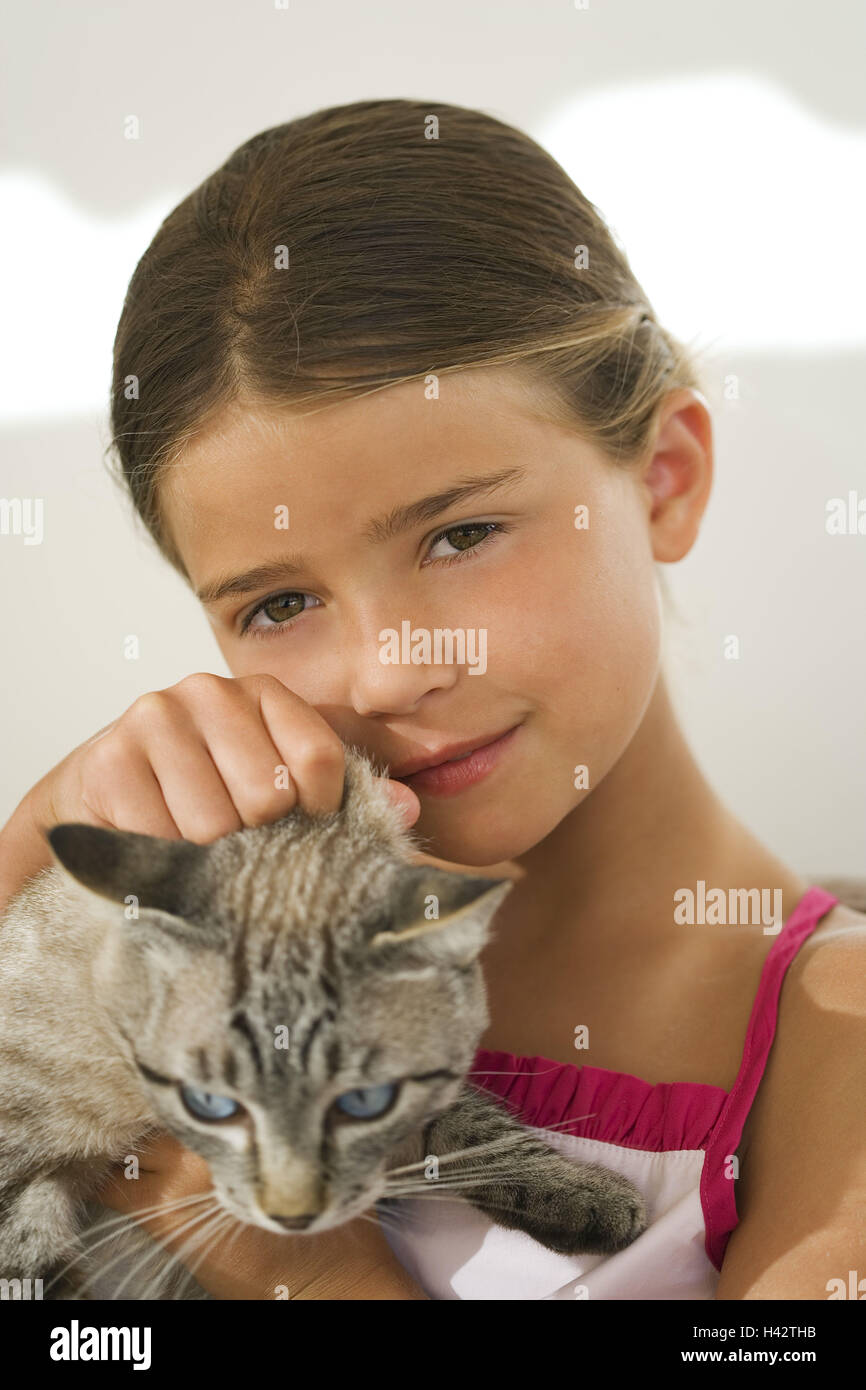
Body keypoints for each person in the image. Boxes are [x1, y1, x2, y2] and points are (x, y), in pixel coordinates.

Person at [1, 99, 863, 1301]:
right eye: (279, 604)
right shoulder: (151, 951)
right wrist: (30, 845)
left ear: (663, 478)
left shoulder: (837, 1044)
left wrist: (304, 1269)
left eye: (459, 534)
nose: (387, 671)